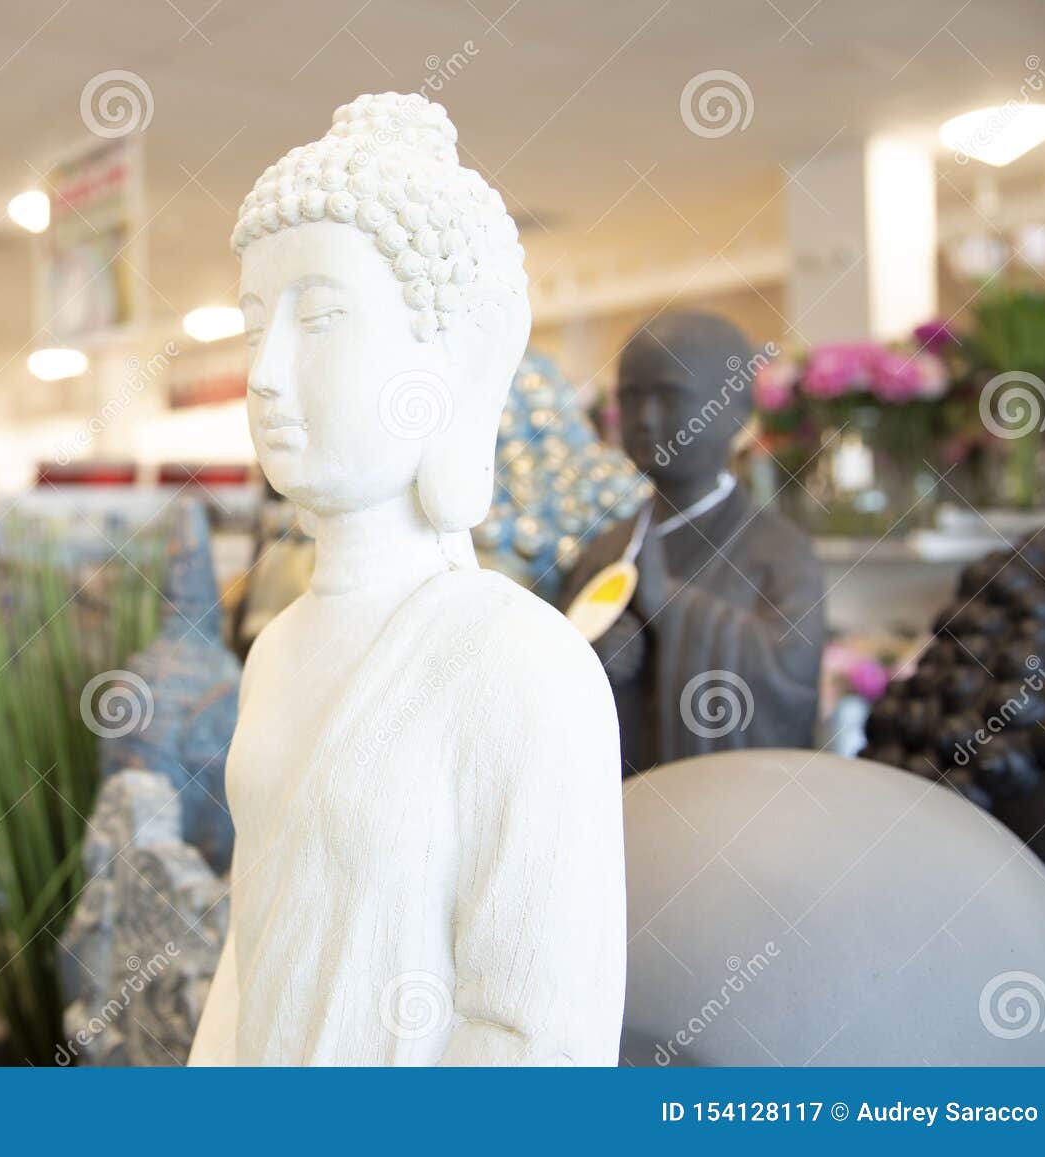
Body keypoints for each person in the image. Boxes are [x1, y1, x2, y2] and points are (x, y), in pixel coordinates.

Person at [188, 93, 625, 1066]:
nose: (263, 371)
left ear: (453, 357)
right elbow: (248, 953)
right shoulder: (276, 648)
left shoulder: (517, 661)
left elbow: (539, 1033)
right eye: (255, 321)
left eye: (324, 315)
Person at [562, 311, 825, 775]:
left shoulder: (781, 552)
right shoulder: (604, 551)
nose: (644, 419)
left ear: (737, 411)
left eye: (669, 396)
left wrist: (670, 606)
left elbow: (789, 684)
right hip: (614, 816)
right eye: (630, 398)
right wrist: (590, 665)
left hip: (724, 820)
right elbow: (551, 686)